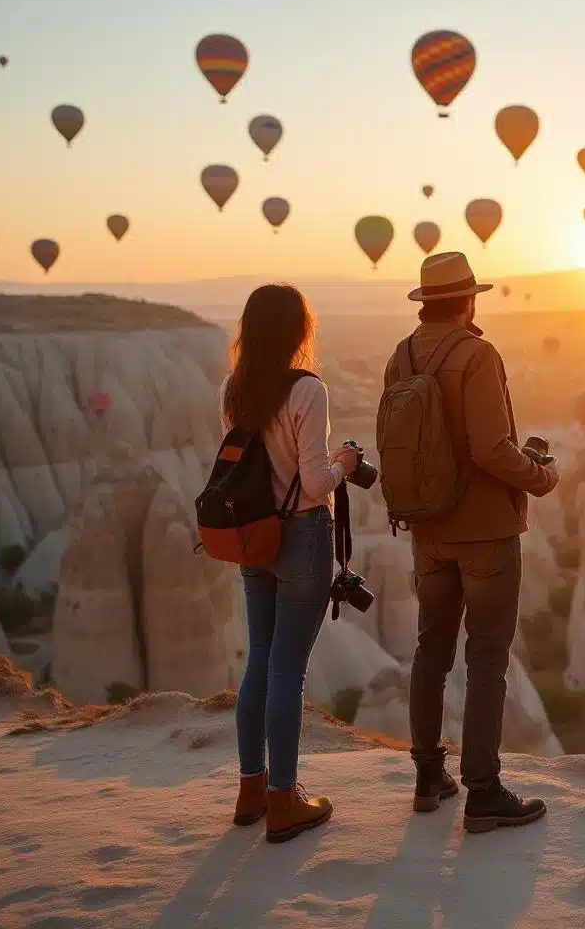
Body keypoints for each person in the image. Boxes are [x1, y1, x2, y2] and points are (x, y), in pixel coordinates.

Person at [383, 251, 559, 833]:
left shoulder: (400, 357)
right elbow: (490, 448)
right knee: (486, 656)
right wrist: (541, 475)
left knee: (430, 650)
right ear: (468, 301)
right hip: (485, 533)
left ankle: (429, 776)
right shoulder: (477, 354)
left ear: (425, 302)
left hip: (427, 532)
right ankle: (483, 790)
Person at [220, 283, 359, 844]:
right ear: (299, 331)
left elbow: (252, 469)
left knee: (260, 662)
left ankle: (250, 790)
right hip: (301, 535)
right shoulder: (308, 390)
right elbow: (311, 481)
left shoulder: (236, 390)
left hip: (253, 537)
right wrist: (344, 463)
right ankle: (285, 798)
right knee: (287, 669)